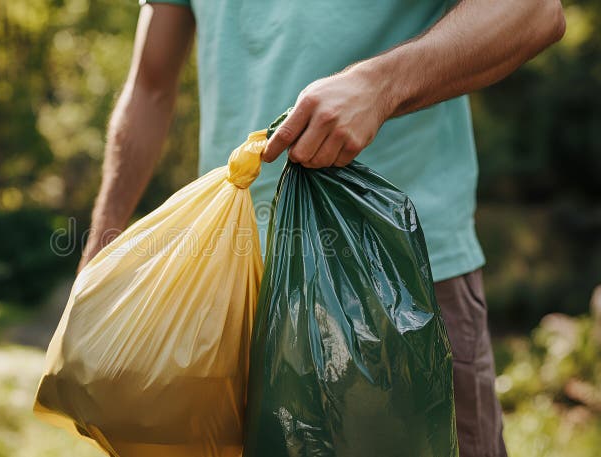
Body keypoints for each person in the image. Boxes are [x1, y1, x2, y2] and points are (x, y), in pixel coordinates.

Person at [77, 1, 566, 456]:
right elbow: (149, 86)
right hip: (233, 290)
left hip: (402, 283)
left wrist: (382, 84)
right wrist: (101, 253)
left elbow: (535, 11)